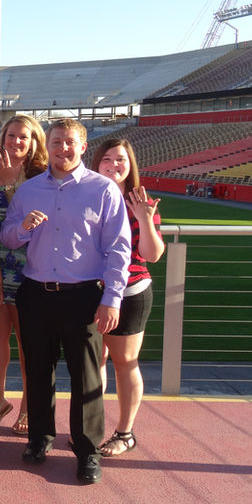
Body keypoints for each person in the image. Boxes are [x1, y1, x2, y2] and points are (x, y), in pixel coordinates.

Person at [0, 118, 131, 484]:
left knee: (86, 377)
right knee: (38, 372)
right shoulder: (28, 190)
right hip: (36, 293)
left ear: (83, 146)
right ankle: (39, 438)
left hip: (83, 295)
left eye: (69, 143)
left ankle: (87, 450)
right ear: (50, 144)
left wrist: (112, 299)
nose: (62, 149)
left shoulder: (103, 190)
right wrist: (23, 227)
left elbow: (119, 248)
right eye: (56, 142)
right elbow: (8, 237)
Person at [92, 138, 164, 457]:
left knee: (125, 363)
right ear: (96, 163)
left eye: (120, 159)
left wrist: (145, 218)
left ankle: (124, 433)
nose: (114, 165)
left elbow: (152, 254)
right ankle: (91, 428)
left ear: (130, 163)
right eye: (107, 159)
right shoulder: (86, 194)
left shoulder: (139, 200)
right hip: (89, 293)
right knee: (95, 363)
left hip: (130, 293)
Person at [0, 114, 48, 435]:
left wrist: (9, 184)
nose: (16, 142)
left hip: (32, 272)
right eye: (10, 136)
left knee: (27, 345)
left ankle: (26, 407)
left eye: (23, 137)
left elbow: (27, 223)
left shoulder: (45, 178)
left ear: (35, 141)